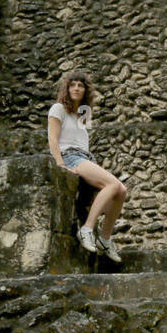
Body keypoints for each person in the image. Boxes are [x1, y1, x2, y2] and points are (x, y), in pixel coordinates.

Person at [47, 71, 128, 263]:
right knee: (112, 185)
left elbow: (82, 141)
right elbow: (53, 138)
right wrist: (60, 164)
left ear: (85, 90)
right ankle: (87, 230)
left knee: (122, 191)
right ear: (67, 88)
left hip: (85, 158)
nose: (76, 88)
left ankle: (105, 239)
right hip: (70, 156)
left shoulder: (84, 113)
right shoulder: (58, 108)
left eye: (80, 85)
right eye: (73, 85)